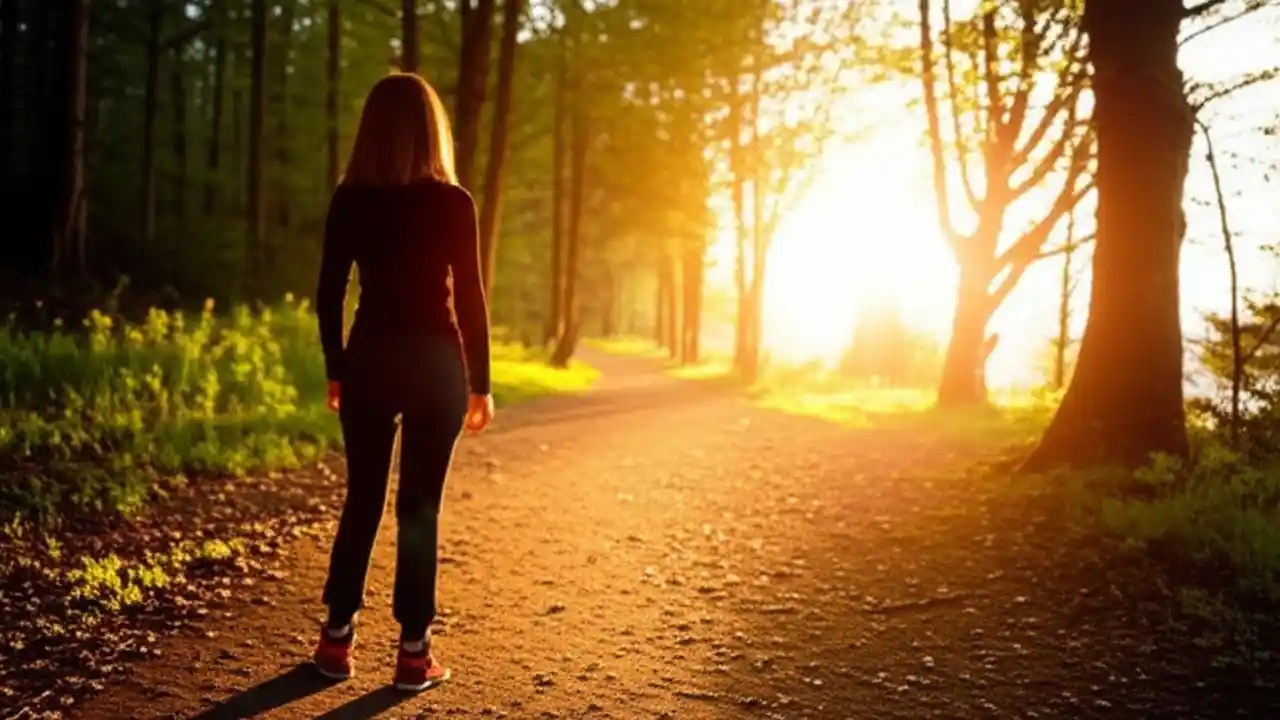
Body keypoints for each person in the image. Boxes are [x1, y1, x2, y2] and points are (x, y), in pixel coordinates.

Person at [312, 72, 494, 692]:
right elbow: (469, 295)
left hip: (369, 361)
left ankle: (335, 641)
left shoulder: (351, 198)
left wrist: (337, 367)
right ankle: (413, 655)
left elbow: (329, 291)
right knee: (419, 507)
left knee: (362, 497)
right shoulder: (453, 201)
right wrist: (480, 382)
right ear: (431, 130)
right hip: (437, 366)